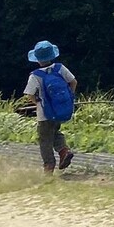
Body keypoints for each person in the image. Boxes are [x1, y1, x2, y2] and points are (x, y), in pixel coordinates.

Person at [23, 40, 77, 174]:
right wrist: (69, 98)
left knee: (44, 140)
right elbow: (73, 82)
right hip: (59, 110)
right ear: (52, 55)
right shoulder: (60, 68)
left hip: (44, 113)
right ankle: (64, 151)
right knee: (55, 132)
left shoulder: (35, 75)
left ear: (37, 59)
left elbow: (29, 94)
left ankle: (48, 167)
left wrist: (36, 102)